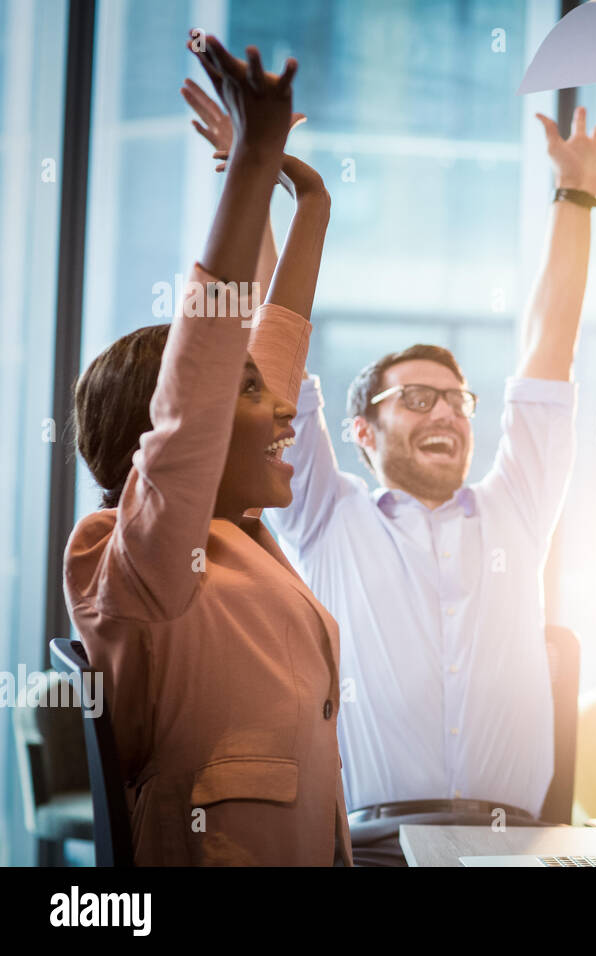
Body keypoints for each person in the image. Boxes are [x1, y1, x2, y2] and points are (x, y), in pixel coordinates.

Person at [185, 88, 596, 864]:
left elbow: (548, 356)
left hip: (521, 849)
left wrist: (577, 196)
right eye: (417, 398)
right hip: (371, 846)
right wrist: (252, 169)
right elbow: (276, 357)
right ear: (362, 433)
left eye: (458, 401)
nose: (445, 415)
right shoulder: (325, 513)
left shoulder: (517, 511)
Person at [65, 36, 346, 865]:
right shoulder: (141, 560)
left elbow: (270, 349)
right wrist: (256, 164)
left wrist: (312, 206)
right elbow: (199, 392)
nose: (286, 413)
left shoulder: (233, 530)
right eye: (252, 394)